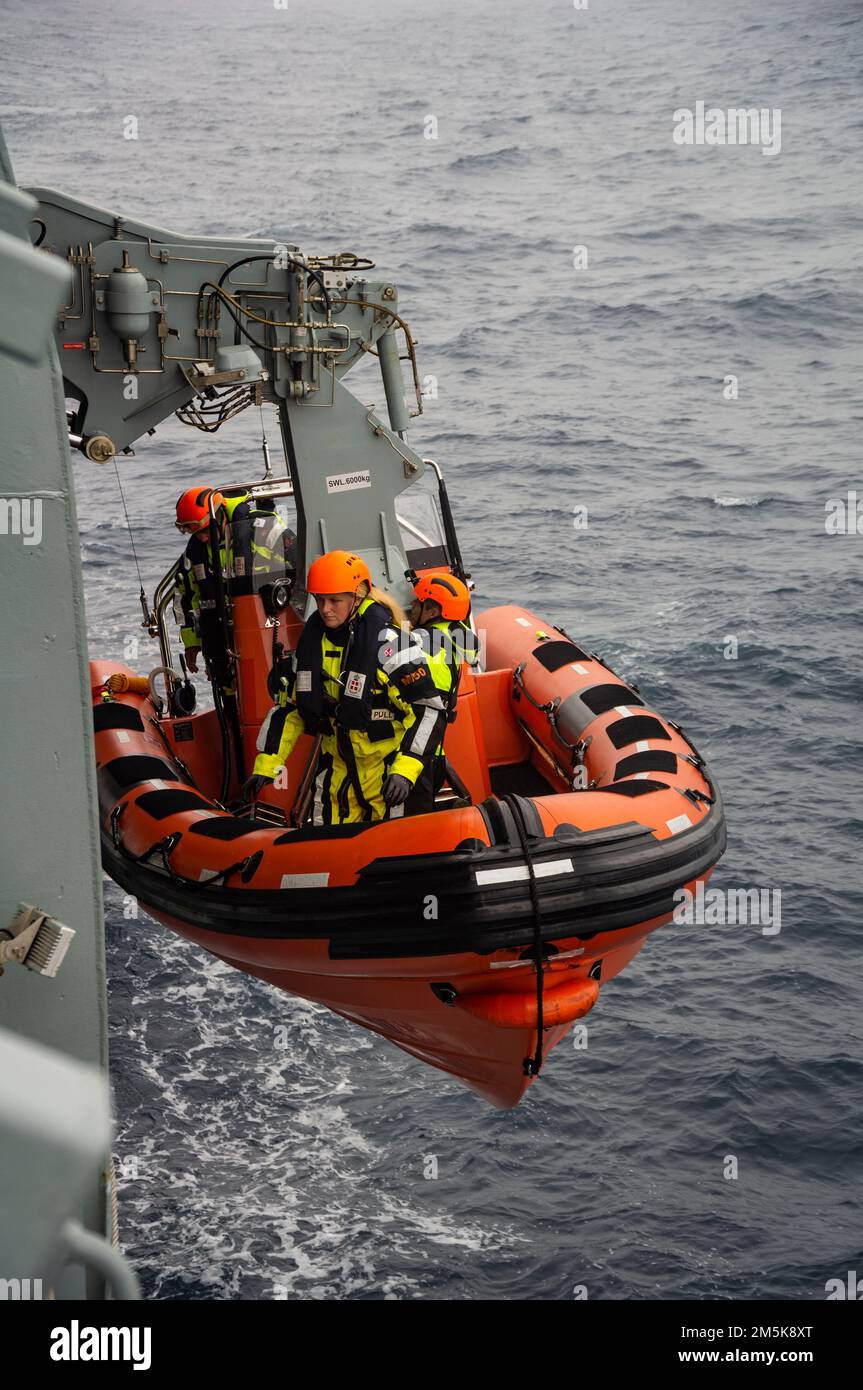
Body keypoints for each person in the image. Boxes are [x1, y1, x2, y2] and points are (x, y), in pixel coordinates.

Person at [244, 550, 445, 825]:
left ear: (358, 595)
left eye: (335, 600)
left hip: (390, 773)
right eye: (320, 600)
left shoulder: (392, 645)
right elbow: (290, 711)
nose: (325, 609)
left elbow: (428, 710)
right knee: (324, 846)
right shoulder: (310, 649)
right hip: (338, 771)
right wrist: (267, 765)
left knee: (399, 850)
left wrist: (406, 769)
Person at [405, 573, 479, 813]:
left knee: (413, 820)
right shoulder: (457, 635)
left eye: (417, 603)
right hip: (436, 752)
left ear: (432, 611)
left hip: (414, 753)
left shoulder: (416, 643)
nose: (411, 607)